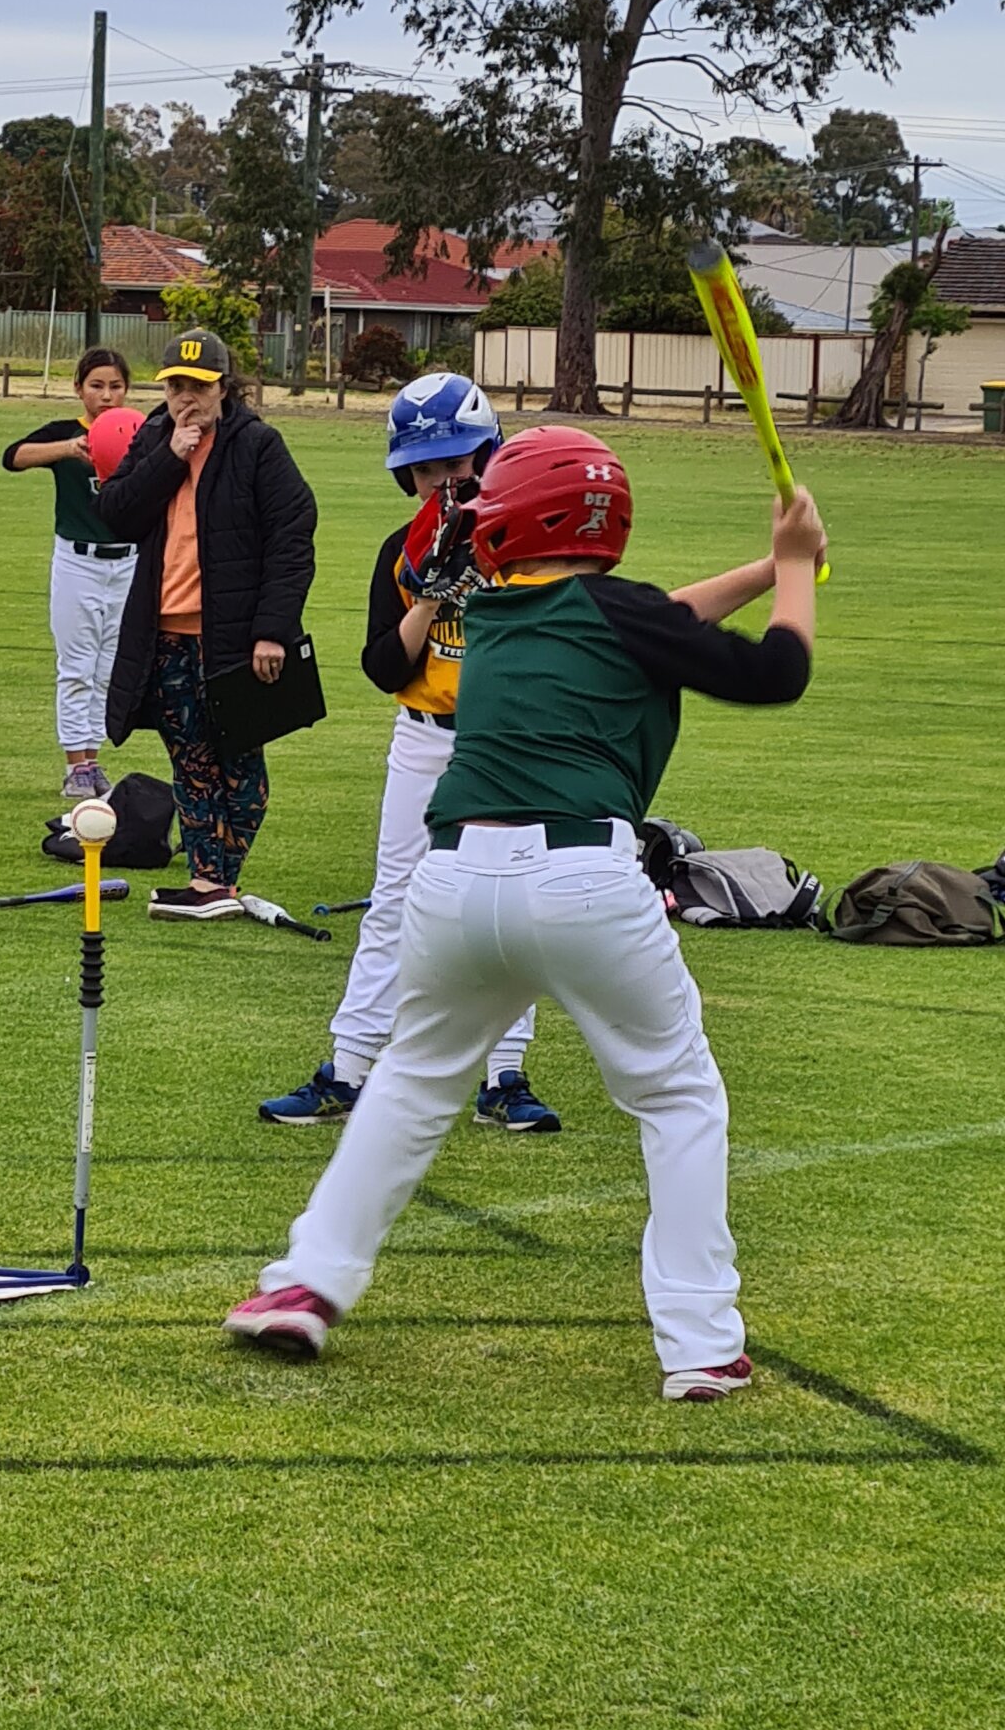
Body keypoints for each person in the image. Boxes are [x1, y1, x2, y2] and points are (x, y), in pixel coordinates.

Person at [225, 426, 824, 1403]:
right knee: (677, 1098)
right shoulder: (620, 611)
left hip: (454, 882)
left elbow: (659, 618)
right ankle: (702, 1343)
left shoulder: (493, 609)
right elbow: (773, 671)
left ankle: (307, 1281)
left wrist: (772, 562)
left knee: (411, 1085)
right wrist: (795, 578)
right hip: (587, 881)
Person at [260, 373, 560, 1134]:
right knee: (394, 902)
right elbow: (382, 669)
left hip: (506, 746)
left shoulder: (528, 543)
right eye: (430, 469)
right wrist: (429, 595)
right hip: (424, 742)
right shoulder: (403, 551)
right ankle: (349, 1069)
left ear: (489, 456)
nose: (447, 481)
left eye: (460, 465)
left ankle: (506, 1077)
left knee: (510, 907)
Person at [93, 330, 317, 919]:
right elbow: (116, 513)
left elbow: (292, 537)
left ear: (224, 388)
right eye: (176, 387)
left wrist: (274, 629)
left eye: (199, 387)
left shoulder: (258, 446)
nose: (186, 399)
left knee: (243, 771)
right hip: (164, 635)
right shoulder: (156, 438)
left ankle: (218, 877)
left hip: (234, 640)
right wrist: (170, 458)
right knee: (190, 761)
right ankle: (207, 883)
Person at [0, 347, 139, 800]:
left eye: (115, 386)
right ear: (79, 389)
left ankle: (92, 758)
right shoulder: (67, 434)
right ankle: (73, 761)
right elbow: (13, 456)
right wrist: (69, 450)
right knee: (76, 665)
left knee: (108, 667)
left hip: (128, 562)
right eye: (96, 386)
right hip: (78, 561)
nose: (106, 395)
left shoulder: (140, 432)